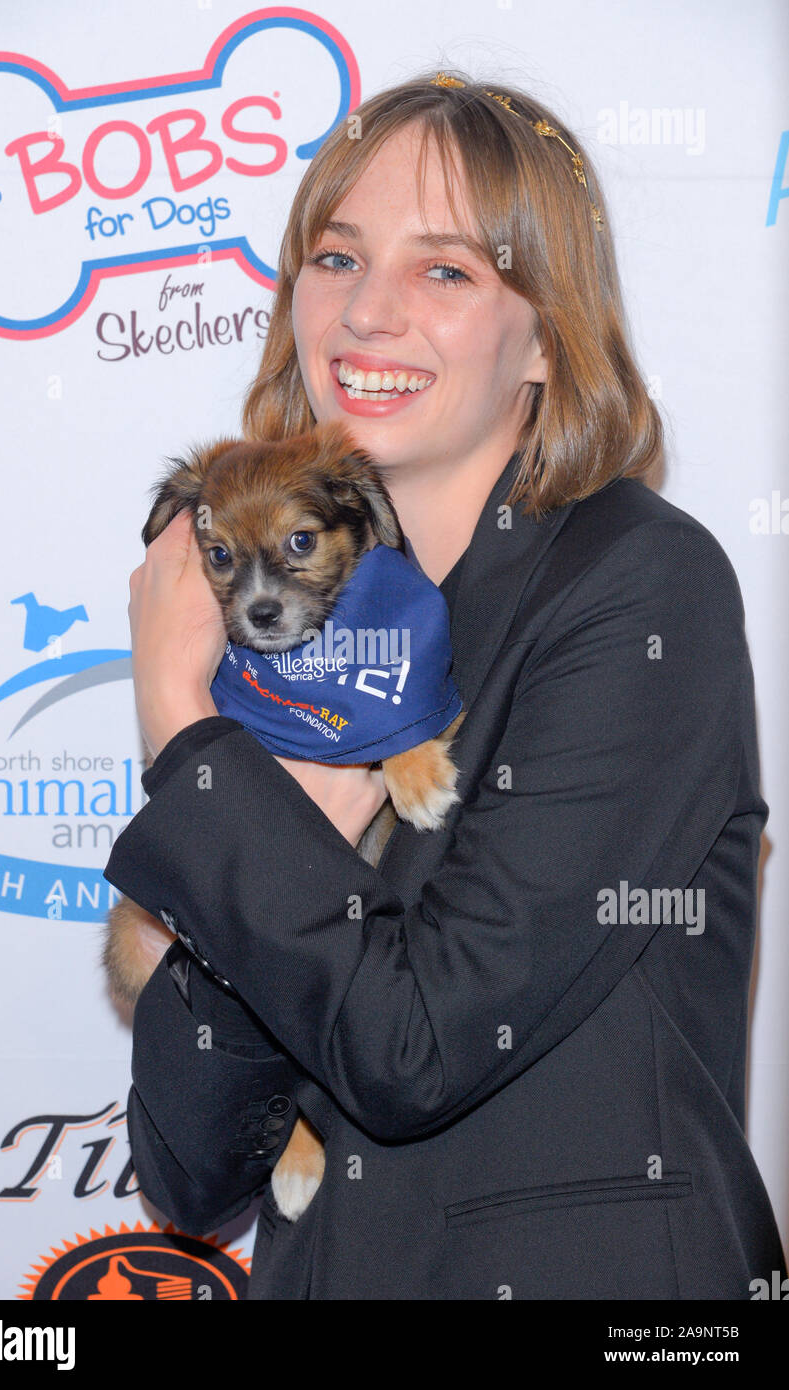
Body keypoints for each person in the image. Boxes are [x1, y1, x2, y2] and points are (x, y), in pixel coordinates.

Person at [103, 71, 786, 1299]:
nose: (367, 314)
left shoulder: (637, 588)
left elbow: (416, 1048)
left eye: (447, 271)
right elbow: (193, 1167)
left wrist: (177, 719)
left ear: (546, 334)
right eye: (336, 256)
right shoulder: (275, 630)